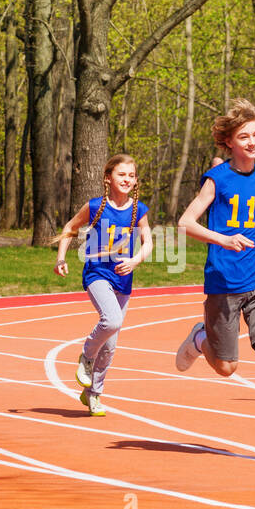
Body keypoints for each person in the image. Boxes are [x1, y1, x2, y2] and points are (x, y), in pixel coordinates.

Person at [174, 99, 255, 463]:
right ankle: (201, 338)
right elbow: (185, 222)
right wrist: (223, 238)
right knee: (226, 367)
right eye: (244, 136)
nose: (252, 142)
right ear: (229, 142)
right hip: (222, 282)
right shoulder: (216, 179)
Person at [53, 154, 153, 416]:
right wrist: (61, 257)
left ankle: (93, 394)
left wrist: (134, 261)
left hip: (123, 278)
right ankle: (86, 357)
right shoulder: (96, 206)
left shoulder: (138, 209)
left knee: (110, 345)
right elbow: (71, 227)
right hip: (97, 273)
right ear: (108, 178)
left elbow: (149, 243)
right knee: (111, 320)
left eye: (131, 175)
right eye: (122, 174)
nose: (127, 179)